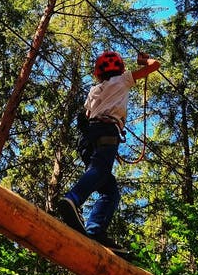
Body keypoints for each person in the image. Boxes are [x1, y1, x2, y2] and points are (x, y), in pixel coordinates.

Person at [57, 50, 160, 249]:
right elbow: (155, 65)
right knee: (100, 171)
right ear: (120, 69)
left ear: (98, 73)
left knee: (110, 191)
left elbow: (86, 115)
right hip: (106, 131)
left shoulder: (94, 90)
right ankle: (72, 199)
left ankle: (95, 230)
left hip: (88, 138)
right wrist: (144, 60)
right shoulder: (122, 80)